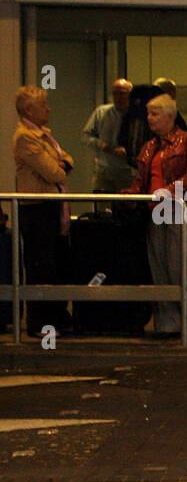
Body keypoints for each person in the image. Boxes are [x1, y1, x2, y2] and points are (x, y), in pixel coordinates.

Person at [123, 94, 187, 338]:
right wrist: (130, 195)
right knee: (159, 267)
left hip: (182, 210)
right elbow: (141, 180)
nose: (149, 118)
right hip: (155, 212)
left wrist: (168, 191)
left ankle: (183, 322)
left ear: (170, 116)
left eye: (155, 114)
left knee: (181, 267)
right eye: (149, 113)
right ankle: (166, 324)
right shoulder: (149, 147)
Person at [12, 85, 74, 337]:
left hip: (52, 205)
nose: (48, 108)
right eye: (43, 105)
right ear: (28, 109)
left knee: (57, 263)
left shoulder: (44, 134)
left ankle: (58, 317)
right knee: (40, 265)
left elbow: (67, 159)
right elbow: (54, 171)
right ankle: (39, 322)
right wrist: (62, 166)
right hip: (36, 208)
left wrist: (62, 164)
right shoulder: (26, 137)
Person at [80, 79, 135, 193]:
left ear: (130, 94)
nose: (118, 97)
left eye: (122, 93)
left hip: (129, 172)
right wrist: (101, 144)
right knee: (102, 207)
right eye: (115, 93)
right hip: (104, 170)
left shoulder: (137, 116)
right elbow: (85, 136)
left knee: (127, 207)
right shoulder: (101, 113)